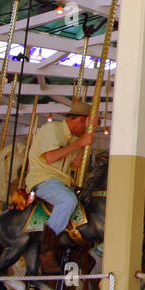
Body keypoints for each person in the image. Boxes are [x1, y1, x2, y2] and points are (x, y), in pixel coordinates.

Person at [24, 100, 94, 238]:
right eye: (87, 126)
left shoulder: (73, 138)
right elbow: (50, 157)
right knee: (68, 200)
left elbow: (77, 163)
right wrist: (80, 142)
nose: (86, 130)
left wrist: (87, 144)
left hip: (63, 183)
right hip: (44, 180)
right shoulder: (52, 129)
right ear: (81, 119)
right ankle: (47, 241)